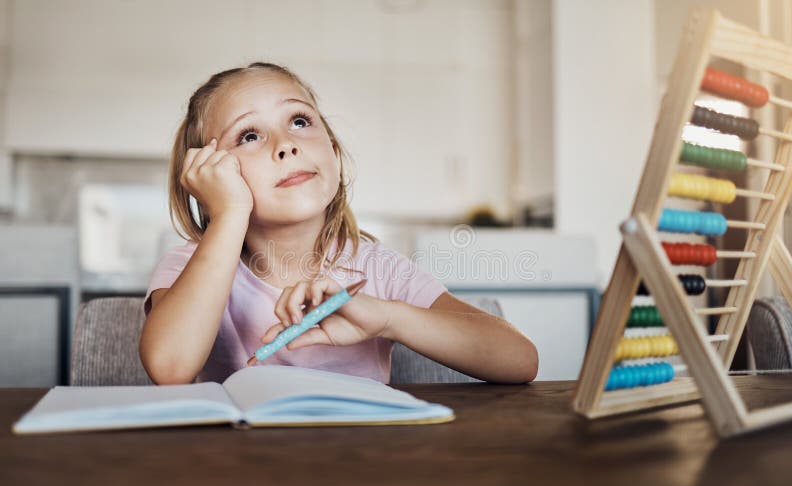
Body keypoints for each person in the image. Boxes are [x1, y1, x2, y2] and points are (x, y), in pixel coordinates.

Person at [140, 62, 538, 385]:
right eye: (249, 135)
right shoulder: (189, 266)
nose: (286, 144)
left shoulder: (380, 269)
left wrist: (389, 318)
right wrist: (227, 214)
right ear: (208, 175)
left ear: (332, 151)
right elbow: (170, 368)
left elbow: (519, 360)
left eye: (299, 121)